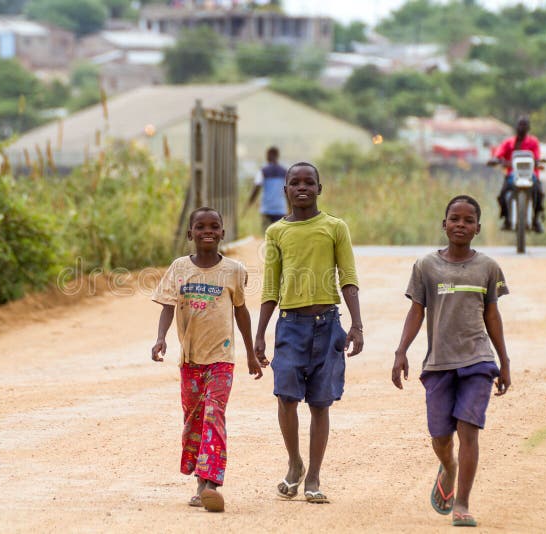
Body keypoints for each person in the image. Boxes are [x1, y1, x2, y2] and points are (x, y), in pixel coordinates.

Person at [391, 195, 511, 528]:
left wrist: (504, 360)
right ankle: (449, 466)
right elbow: (416, 311)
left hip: (478, 360)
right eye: (454, 219)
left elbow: (492, 314)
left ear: (478, 228)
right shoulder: (426, 266)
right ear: (444, 224)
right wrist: (401, 351)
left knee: (468, 430)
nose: (461, 225)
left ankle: (462, 503)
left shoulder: (488, 268)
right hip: (439, 363)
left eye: (468, 220)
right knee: (441, 436)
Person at [254, 162, 364, 504]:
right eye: (294, 182)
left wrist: (357, 325)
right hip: (289, 325)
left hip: (327, 325)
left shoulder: (335, 227)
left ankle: (314, 474)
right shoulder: (276, 233)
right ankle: (295, 462)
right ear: (285, 189)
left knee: (320, 403)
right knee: (285, 397)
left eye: (309, 182)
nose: (302, 187)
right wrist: (260, 334)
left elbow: (348, 278)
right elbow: (271, 286)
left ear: (320, 188)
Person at [151, 207, 268, 513]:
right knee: (194, 419)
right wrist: (161, 338)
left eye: (213, 226)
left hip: (221, 359)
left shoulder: (233, 270)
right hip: (190, 360)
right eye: (199, 227)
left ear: (222, 233)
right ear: (190, 233)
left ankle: (210, 482)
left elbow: (240, 311)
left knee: (215, 415)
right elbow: (167, 306)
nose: (207, 231)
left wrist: (250, 353)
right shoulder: (178, 268)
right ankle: (199, 484)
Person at [490, 116, 545, 233]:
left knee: (539, 193)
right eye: (520, 125)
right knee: (502, 195)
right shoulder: (508, 143)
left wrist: (538, 162)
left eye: (524, 125)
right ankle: (506, 219)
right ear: (516, 127)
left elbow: (537, 157)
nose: (522, 127)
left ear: (528, 128)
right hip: (512, 176)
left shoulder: (533, 142)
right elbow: (498, 154)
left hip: (531, 175)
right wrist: (495, 160)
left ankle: (536, 220)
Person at [247, 146, 288, 233]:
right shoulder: (285, 172)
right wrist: (291, 208)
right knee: (279, 235)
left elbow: (256, 189)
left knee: (266, 235)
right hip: (280, 209)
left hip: (266, 209)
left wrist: (249, 203)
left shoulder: (263, 171)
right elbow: (288, 191)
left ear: (268, 155)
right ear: (278, 156)